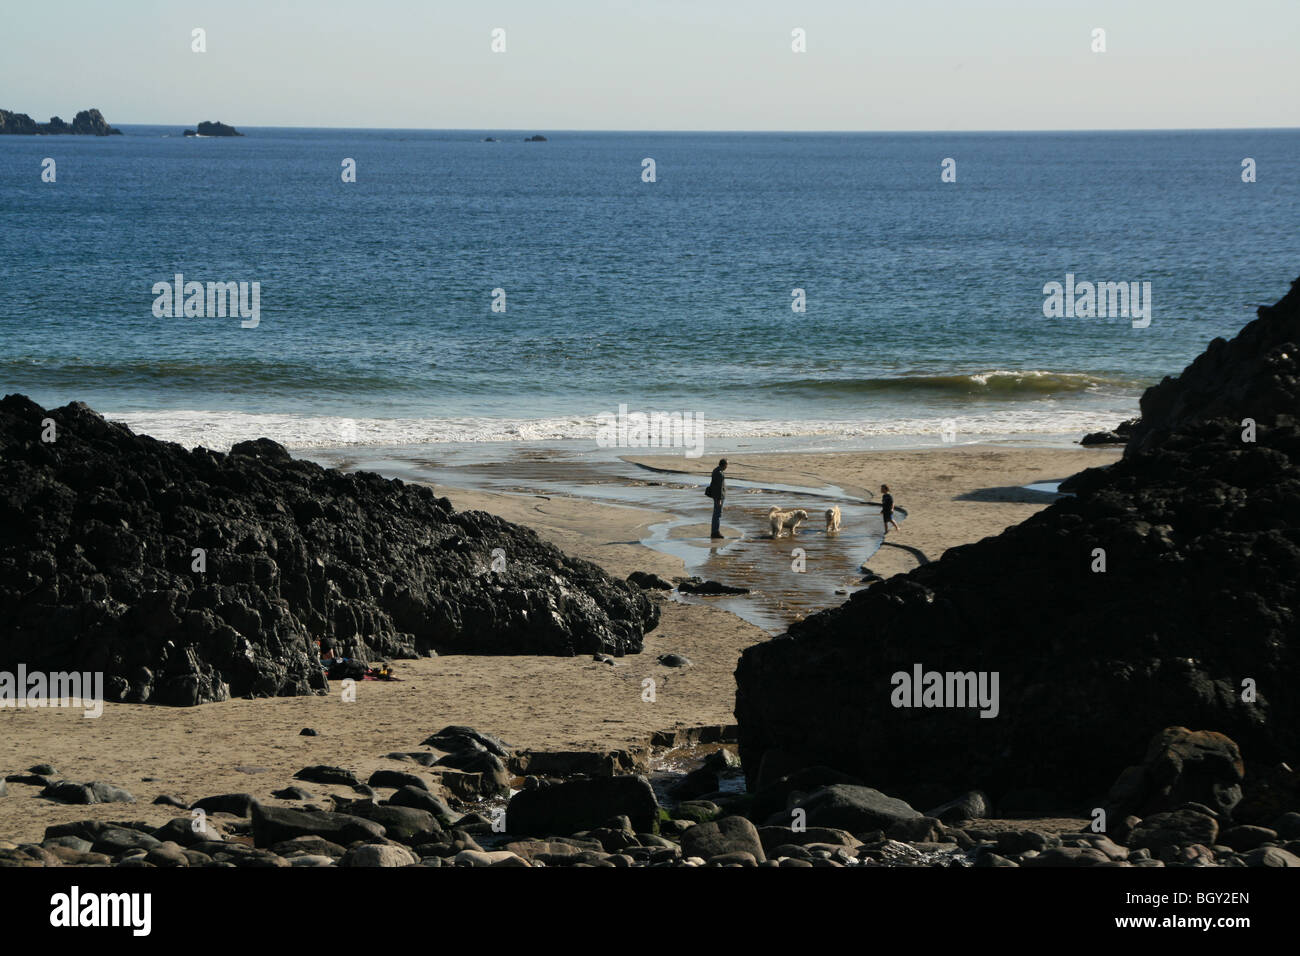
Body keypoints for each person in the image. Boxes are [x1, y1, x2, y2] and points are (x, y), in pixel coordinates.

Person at [706, 458, 728, 538]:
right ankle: (715, 532)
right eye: (727, 464)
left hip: (717, 496)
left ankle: (714, 531)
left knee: (716, 514)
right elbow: (719, 487)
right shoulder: (719, 473)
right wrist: (719, 499)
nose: (727, 466)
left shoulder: (716, 470)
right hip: (719, 497)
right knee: (717, 514)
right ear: (724, 464)